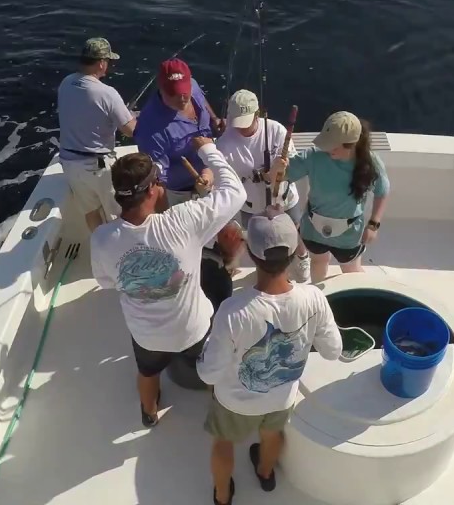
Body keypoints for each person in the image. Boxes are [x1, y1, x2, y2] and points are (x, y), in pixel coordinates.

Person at [90, 136, 246, 427]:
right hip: (193, 330)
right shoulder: (182, 220)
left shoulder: (101, 238)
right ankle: (219, 408)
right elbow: (235, 192)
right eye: (158, 182)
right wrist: (207, 149)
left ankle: (149, 414)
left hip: (146, 335)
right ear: (152, 189)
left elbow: (107, 282)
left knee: (148, 372)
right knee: (212, 371)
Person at [197, 213, 343, 505]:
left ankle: (222, 496)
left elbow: (209, 374)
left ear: (251, 254)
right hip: (281, 398)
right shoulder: (314, 298)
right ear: (293, 252)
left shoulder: (232, 310)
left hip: (234, 403)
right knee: (272, 434)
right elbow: (333, 351)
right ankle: (265, 473)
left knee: (223, 442)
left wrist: (205, 351)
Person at [281, 112, 390, 282]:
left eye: (333, 146)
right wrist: (277, 168)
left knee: (351, 271)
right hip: (313, 229)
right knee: (318, 262)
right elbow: (282, 174)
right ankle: (319, 294)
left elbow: (382, 192)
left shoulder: (371, 164)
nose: (327, 149)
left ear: (351, 145)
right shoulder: (314, 156)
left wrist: (373, 225)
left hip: (349, 234)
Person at [216, 89, 311, 282]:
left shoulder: (277, 131)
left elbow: (291, 167)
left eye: (245, 122)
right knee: (255, 238)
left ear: (257, 114)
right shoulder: (224, 143)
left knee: (293, 231)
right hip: (251, 204)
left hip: (282, 198)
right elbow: (223, 178)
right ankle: (258, 268)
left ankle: (302, 257)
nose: (240, 128)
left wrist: (278, 170)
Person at [56, 37, 136, 231]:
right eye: (108, 61)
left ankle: (98, 247)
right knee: (118, 215)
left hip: (69, 164)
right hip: (96, 167)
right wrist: (131, 116)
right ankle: (119, 248)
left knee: (91, 212)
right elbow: (131, 130)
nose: (108, 65)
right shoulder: (107, 93)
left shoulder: (66, 82)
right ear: (101, 63)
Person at [134, 58, 225, 207]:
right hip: (182, 194)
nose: (182, 99)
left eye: (185, 92)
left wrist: (214, 118)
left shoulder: (193, 85)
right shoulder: (149, 128)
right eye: (173, 94)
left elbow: (201, 100)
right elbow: (158, 182)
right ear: (161, 89)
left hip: (212, 170)